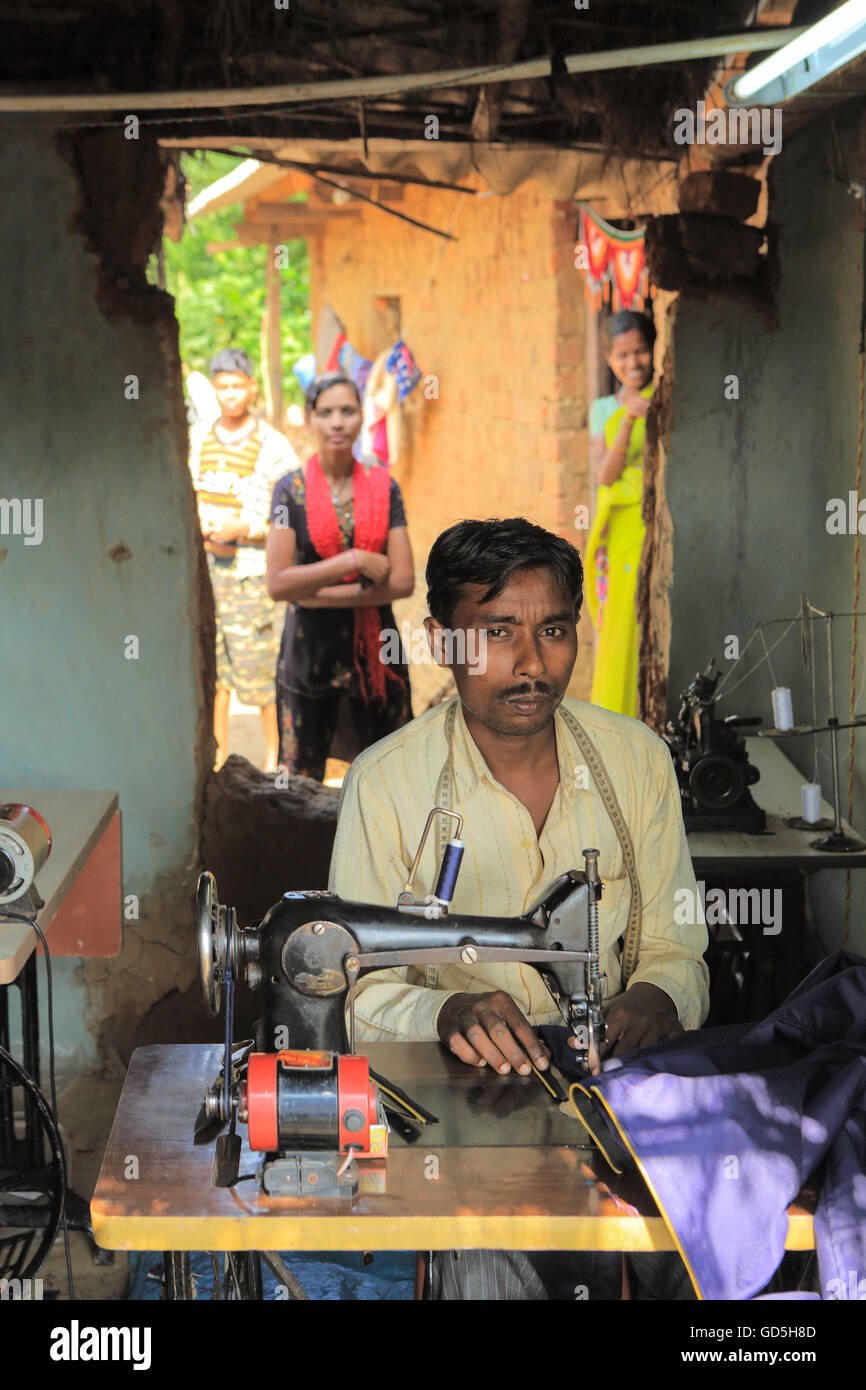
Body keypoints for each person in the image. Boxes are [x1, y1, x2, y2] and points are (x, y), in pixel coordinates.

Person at [329, 516, 708, 1299]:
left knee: (692, 1248)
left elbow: (680, 951)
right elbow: (356, 991)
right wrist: (445, 1013)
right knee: (491, 1269)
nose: (532, 663)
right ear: (442, 642)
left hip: (616, 1087)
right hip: (462, 1114)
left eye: (554, 630)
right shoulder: (386, 785)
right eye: (497, 632)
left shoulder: (636, 761)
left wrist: (657, 993)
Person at [266, 372, 414, 781]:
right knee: (301, 779)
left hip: (377, 658)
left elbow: (402, 581)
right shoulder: (289, 492)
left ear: (361, 417)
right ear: (309, 419)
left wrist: (314, 593)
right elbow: (278, 583)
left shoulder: (385, 488)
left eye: (347, 411)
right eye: (325, 412)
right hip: (310, 656)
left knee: (391, 777)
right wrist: (353, 560)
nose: (336, 422)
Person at [189, 348, 299, 772]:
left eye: (238, 385)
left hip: (252, 578)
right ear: (214, 389)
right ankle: (216, 758)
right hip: (205, 576)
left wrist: (247, 527)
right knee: (213, 672)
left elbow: (294, 517)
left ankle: (276, 762)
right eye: (222, 387)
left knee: (262, 673)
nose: (230, 394)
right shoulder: (197, 438)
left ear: (251, 387)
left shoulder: (272, 446)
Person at [584, 311, 657, 719]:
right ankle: (616, 718)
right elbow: (606, 475)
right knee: (619, 626)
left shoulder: (664, 396)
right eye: (624, 354)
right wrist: (629, 418)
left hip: (657, 525)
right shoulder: (604, 410)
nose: (634, 363)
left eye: (641, 351)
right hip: (621, 531)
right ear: (610, 359)